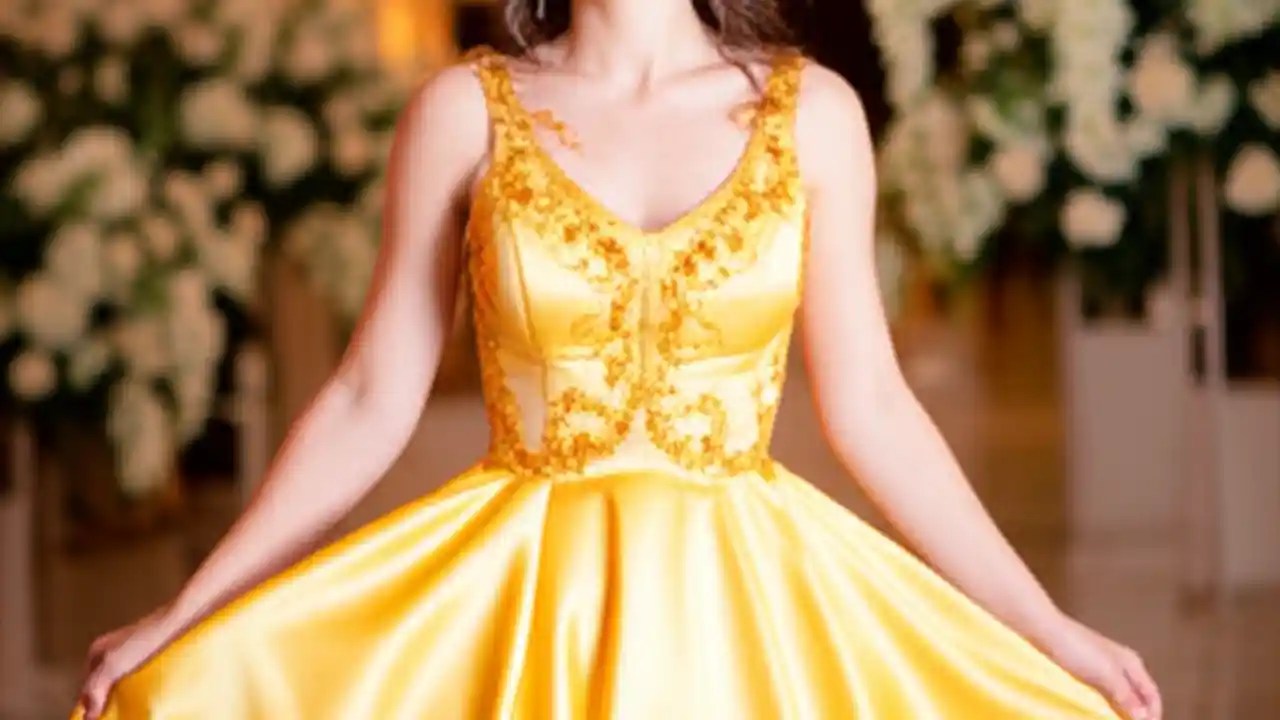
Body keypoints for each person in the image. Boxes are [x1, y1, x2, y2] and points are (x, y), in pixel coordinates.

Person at [73, 1, 1162, 718]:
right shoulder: (462, 113)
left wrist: (1043, 626)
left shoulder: (813, 114)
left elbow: (871, 404)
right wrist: (192, 607)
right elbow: (367, 393)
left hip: (745, 612)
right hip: (529, 611)